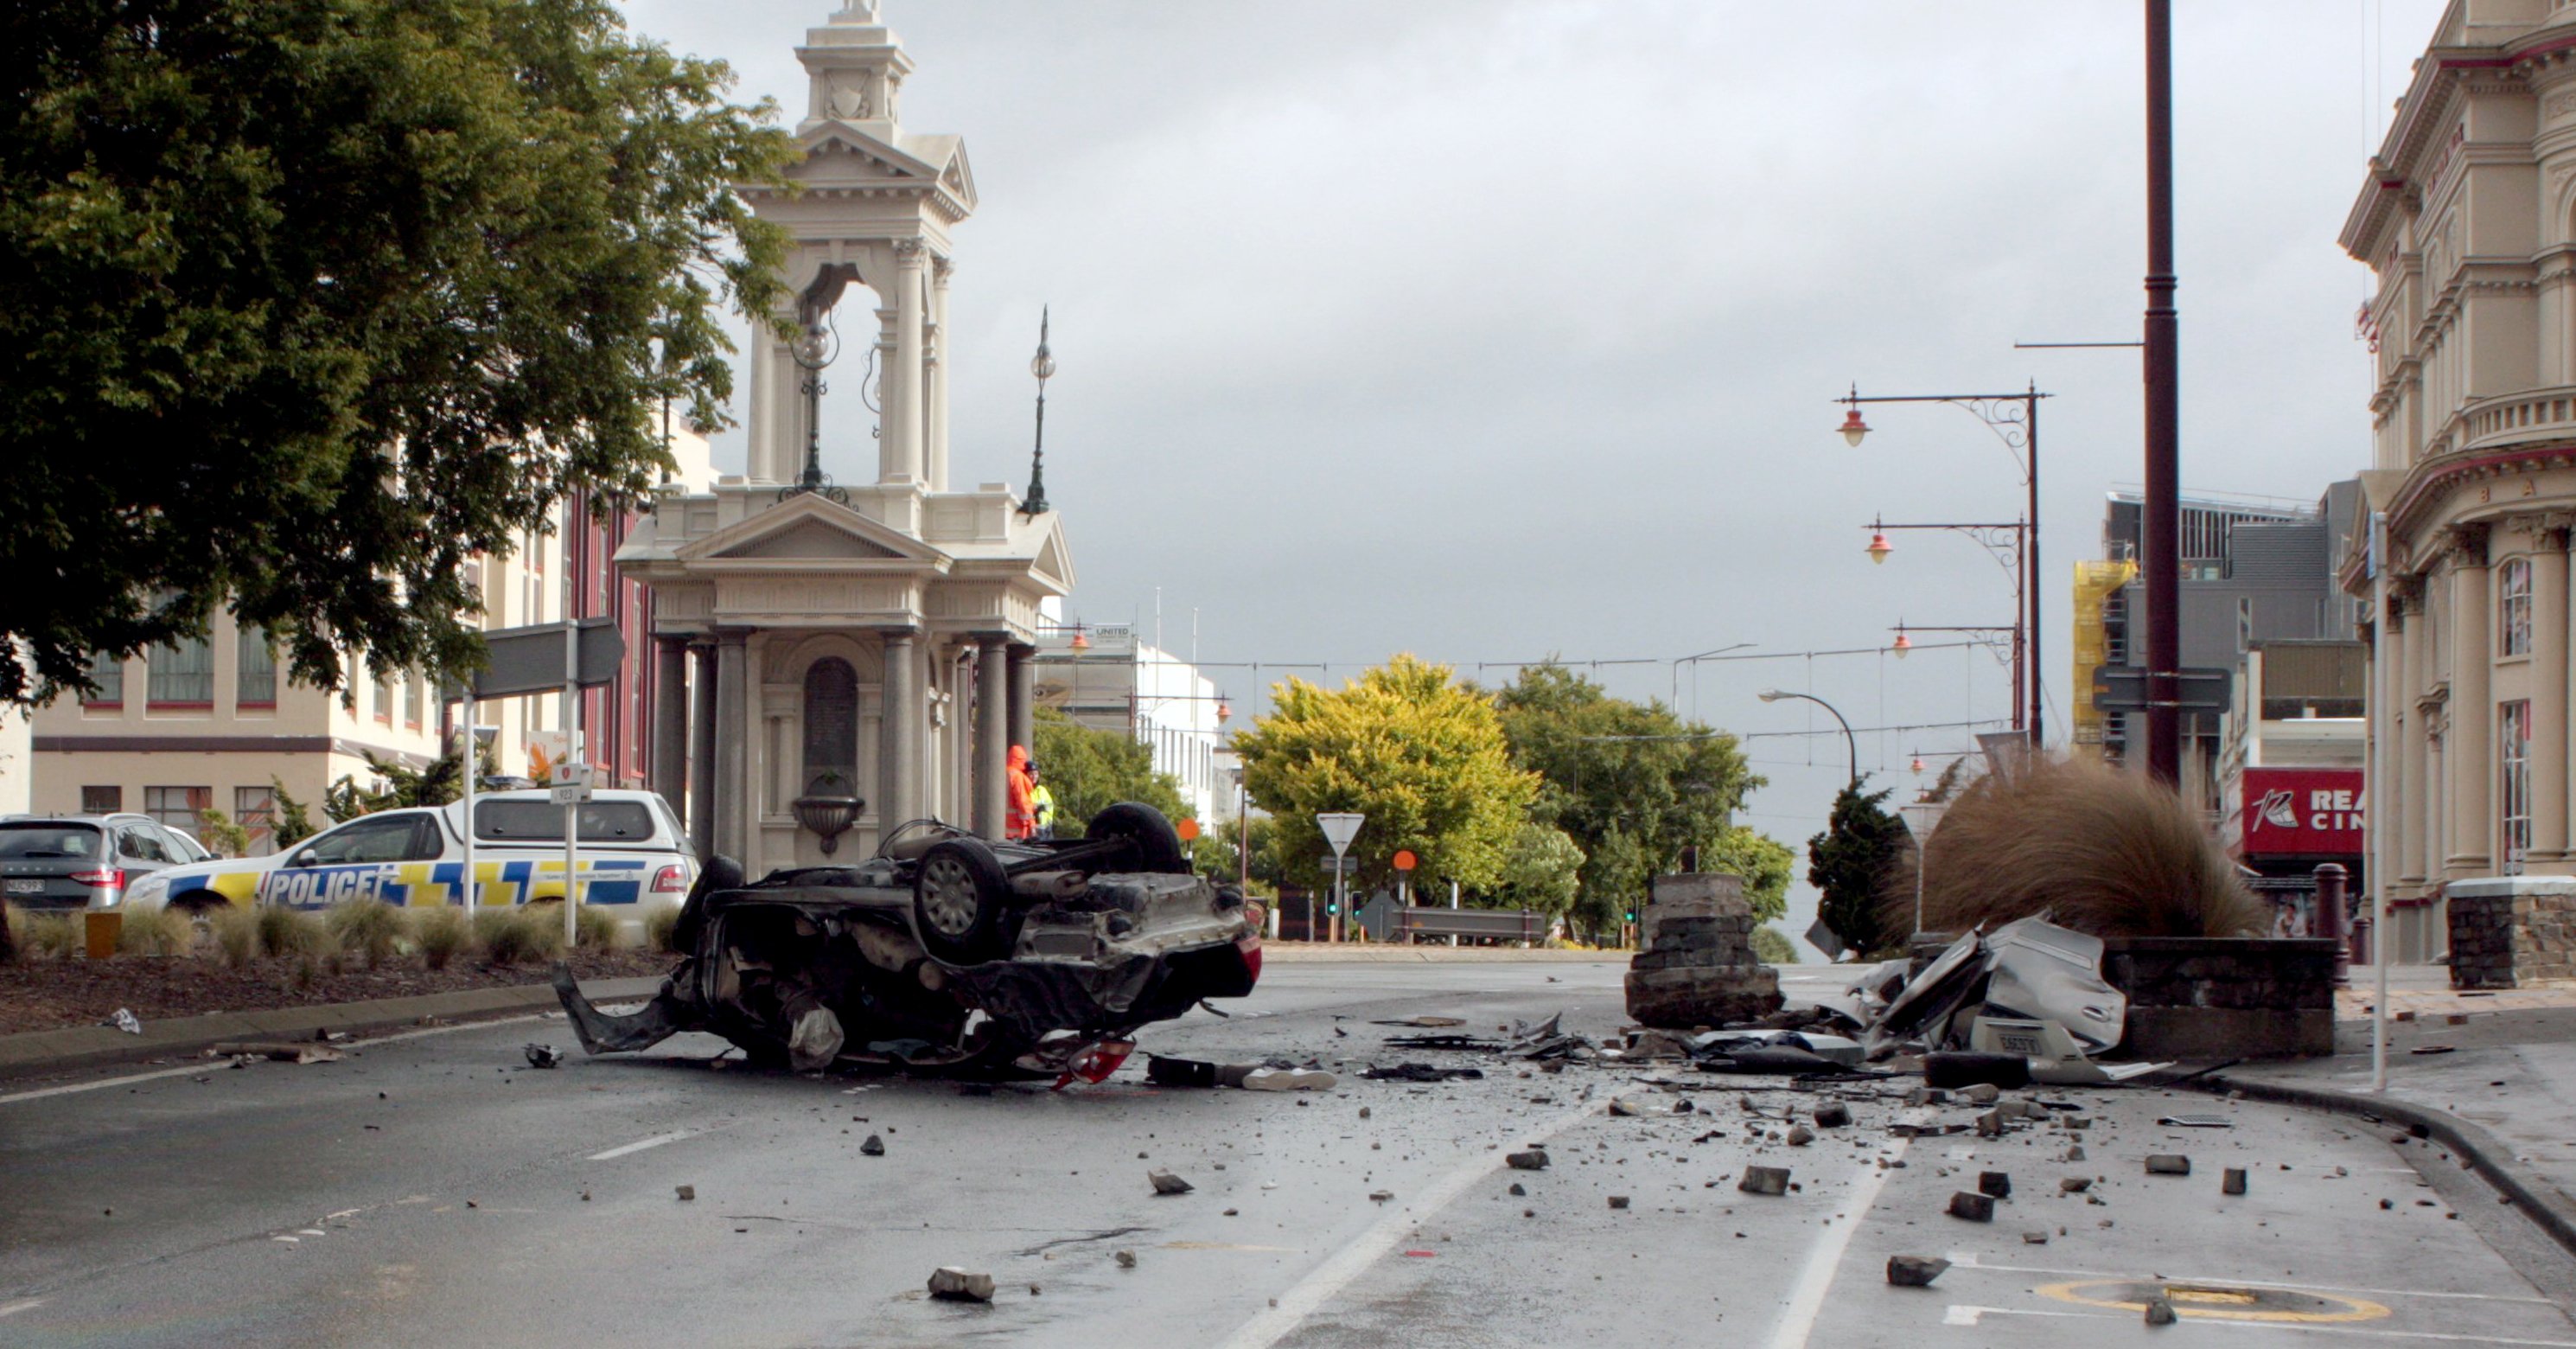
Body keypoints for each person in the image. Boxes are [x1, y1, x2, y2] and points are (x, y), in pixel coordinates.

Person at [1005, 744, 1036, 840]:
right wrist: (1032, 826)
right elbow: (1024, 803)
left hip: (1002, 830)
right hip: (1017, 831)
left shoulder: (1003, 773)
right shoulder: (1018, 777)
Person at [1027, 761, 1057, 841]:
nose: (1034, 776)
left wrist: (1049, 824)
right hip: (1033, 831)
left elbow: (1050, 806)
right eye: (1031, 774)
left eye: (1036, 774)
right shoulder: (1026, 791)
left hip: (1046, 830)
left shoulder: (1042, 790)